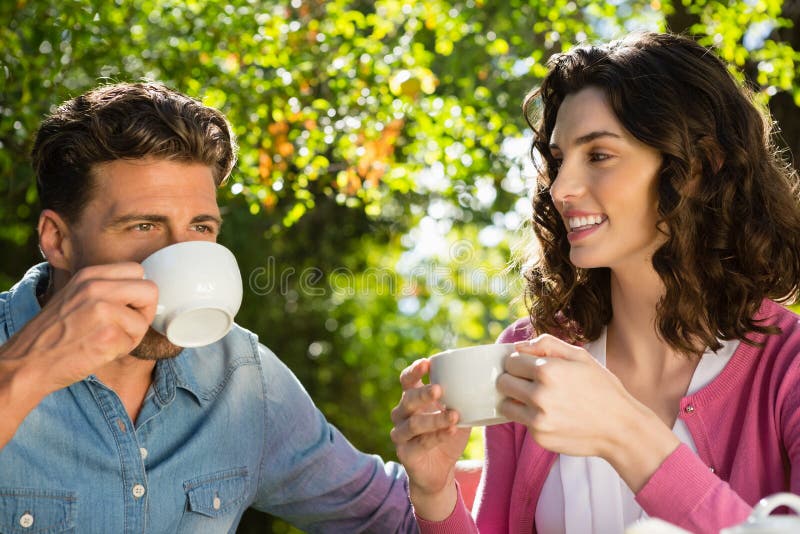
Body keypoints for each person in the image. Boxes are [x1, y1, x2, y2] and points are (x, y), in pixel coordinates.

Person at [390, 31, 800, 534]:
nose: (561, 188)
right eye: (559, 161)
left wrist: (623, 434)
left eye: (599, 155)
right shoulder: (528, 354)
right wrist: (433, 495)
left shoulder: (789, 369)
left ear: (699, 165)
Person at [0, 82, 418, 533]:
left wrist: (446, 475)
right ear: (57, 240)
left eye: (200, 226)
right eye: (144, 225)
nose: (180, 254)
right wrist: (30, 369)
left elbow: (391, 520)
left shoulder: (242, 378)